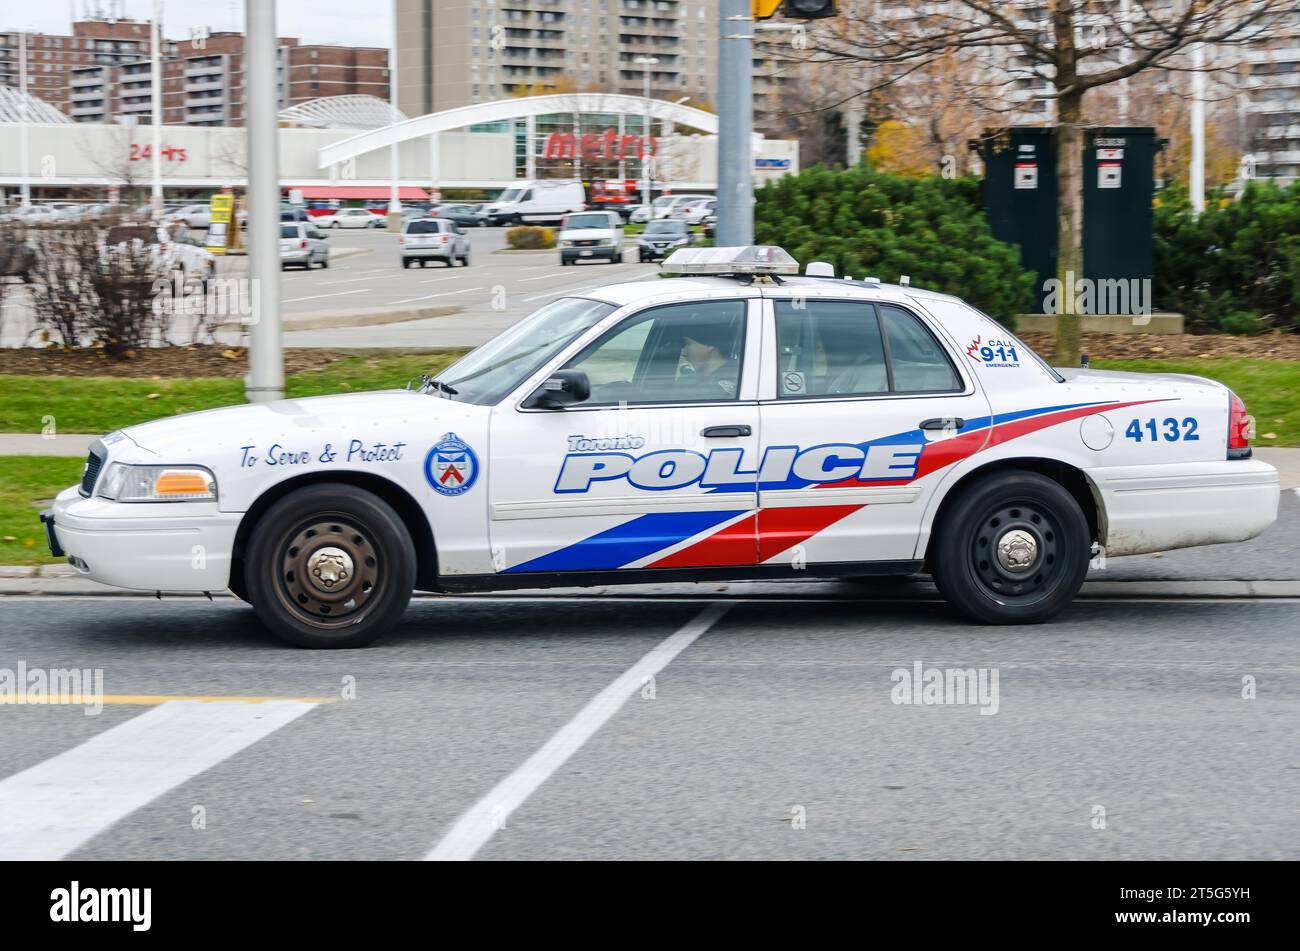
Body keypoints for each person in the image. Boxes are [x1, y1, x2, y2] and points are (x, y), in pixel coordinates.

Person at [677, 319, 740, 399]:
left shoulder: (735, 379)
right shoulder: (696, 378)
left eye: (688, 344)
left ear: (710, 346)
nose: (684, 352)